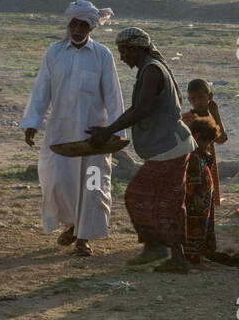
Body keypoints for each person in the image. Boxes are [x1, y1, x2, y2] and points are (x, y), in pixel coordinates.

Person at [86, 27, 195, 274]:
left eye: (124, 52)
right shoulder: (154, 67)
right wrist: (111, 129)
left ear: (136, 49)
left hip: (168, 147)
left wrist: (108, 130)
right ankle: (177, 259)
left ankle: (155, 246)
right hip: (175, 144)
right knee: (170, 201)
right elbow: (141, 107)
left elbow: (142, 109)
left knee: (137, 195)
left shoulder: (151, 70)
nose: (122, 57)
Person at [20, 0, 122, 257]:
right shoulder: (55, 53)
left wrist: (117, 133)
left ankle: (83, 238)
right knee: (58, 182)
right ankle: (73, 224)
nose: (77, 29)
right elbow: (41, 89)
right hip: (60, 132)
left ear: (91, 27)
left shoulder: (102, 55)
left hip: (94, 137)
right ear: (68, 25)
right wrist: (32, 122)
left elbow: (113, 95)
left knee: (92, 186)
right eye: (74, 24)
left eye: (83, 25)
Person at [181, 78, 227, 206]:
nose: (198, 102)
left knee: (207, 202)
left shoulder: (211, 118)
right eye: (194, 99)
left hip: (207, 167)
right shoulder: (186, 118)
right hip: (191, 168)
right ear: (189, 100)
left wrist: (216, 114)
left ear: (210, 96)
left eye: (201, 97)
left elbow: (222, 138)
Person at [182, 117, 219, 266]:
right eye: (206, 142)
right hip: (195, 203)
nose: (208, 145)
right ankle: (194, 259)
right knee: (195, 231)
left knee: (203, 229)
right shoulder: (193, 157)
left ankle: (200, 257)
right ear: (197, 138)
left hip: (204, 203)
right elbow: (193, 182)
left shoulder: (200, 156)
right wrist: (197, 199)